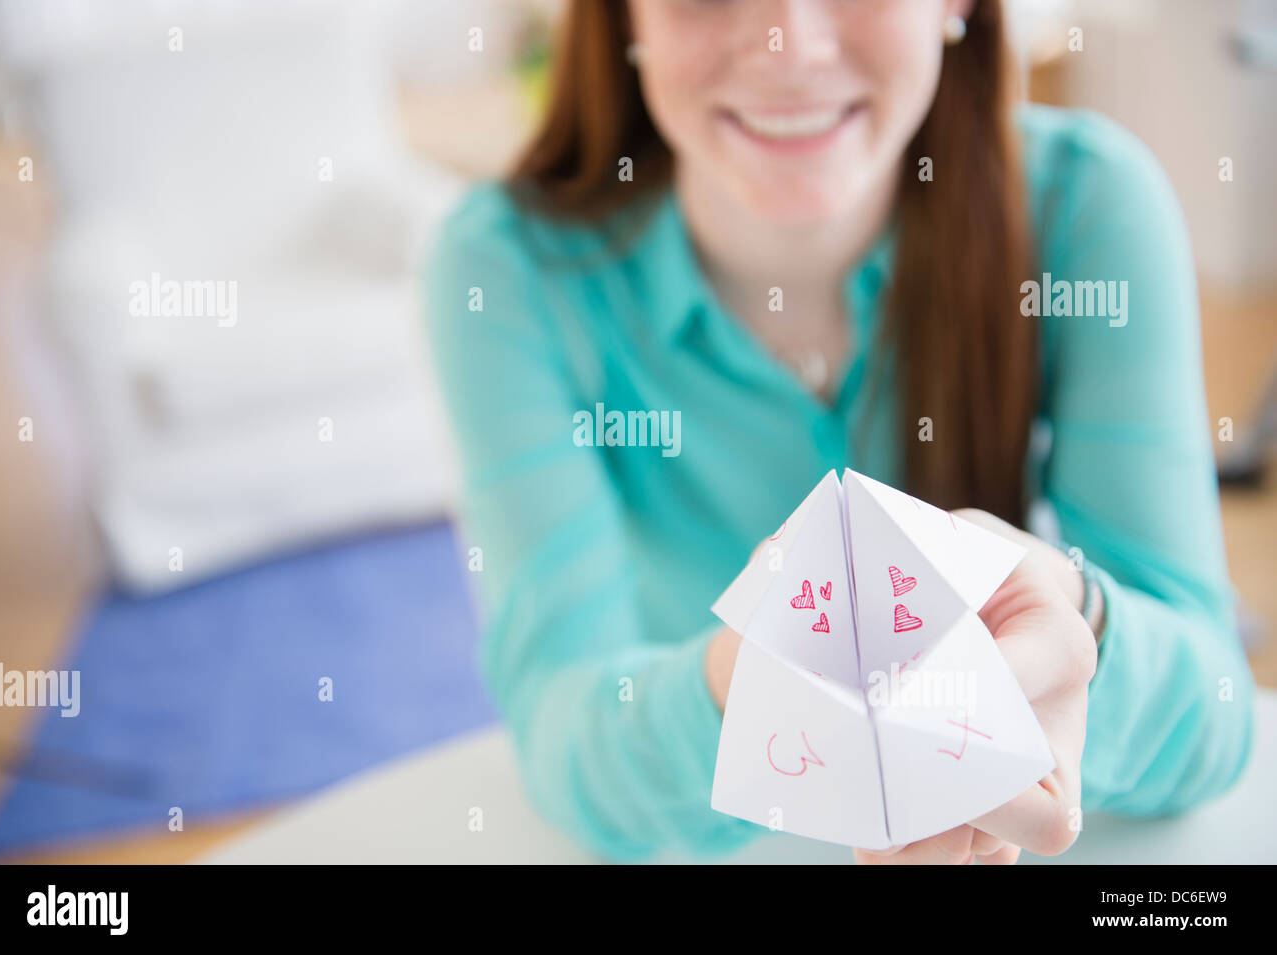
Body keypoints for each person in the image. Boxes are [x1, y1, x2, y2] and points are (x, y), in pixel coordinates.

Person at [424, 0, 1253, 863]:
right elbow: (563, 739)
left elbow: (1218, 708)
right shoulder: (505, 272)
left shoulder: (1088, 205)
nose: (791, 49)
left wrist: (1075, 613)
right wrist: (744, 693)